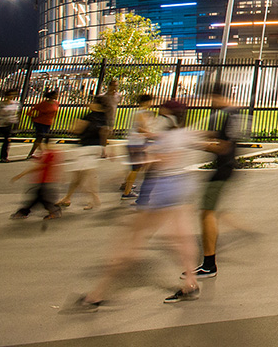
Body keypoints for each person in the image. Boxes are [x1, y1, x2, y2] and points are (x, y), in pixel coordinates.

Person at [76, 99, 203, 308]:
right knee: (181, 236)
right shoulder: (185, 133)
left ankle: (96, 294)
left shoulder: (165, 130)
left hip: (163, 189)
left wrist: (132, 166)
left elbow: (158, 158)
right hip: (182, 187)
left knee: (132, 241)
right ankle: (191, 282)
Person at [194, 87, 242, 277]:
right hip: (226, 168)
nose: (211, 102)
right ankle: (208, 262)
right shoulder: (234, 113)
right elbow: (222, 136)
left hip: (223, 169)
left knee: (207, 214)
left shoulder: (230, 115)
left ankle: (209, 264)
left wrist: (197, 144)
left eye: (212, 98)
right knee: (209, 212)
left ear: (220, 97)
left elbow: (223, 147)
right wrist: (203, 134)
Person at [58, 96, 107, 210]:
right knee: (79, 176)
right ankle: (68, 197)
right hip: (95, 148)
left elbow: (76, 130)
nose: (89, 104)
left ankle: (94, 199)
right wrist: (104, 148)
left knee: (87, 175)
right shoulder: (104, 117)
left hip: (85, 148)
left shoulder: (89, 116)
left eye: (92, 102)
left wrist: (74, 124)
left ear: (97, 105)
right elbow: (105, 133)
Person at [10, 142, 62, 220]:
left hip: (43, 181)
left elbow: (39, 166)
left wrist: (21, 174)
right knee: (39, 198)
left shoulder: (47, 154)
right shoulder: (53, 153)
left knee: (39, 198)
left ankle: (54, 211)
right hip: (46, 180)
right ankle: (24, 212)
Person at [122, 94, 157, 199]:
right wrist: (152, 134)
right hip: (136, 143)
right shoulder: (141, 113)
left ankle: (127, 185)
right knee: (136, 168)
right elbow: (140, 128)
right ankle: (126, 192)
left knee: (138, 167)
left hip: (137, 143)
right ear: (146, 102)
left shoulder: (141, 113)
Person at [26, 90, 60, 160]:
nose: (57, 96)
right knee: (39, 137)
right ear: (51, 96)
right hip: (40, 122)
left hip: (48, 123)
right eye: (55, 95)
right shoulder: (44, 103)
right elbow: (33, 109)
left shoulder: (56, 103)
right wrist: (32, 117)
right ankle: (35, 153)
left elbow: (55, 113)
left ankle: (37, 153)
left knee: (44, 138)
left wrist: (53, 120)